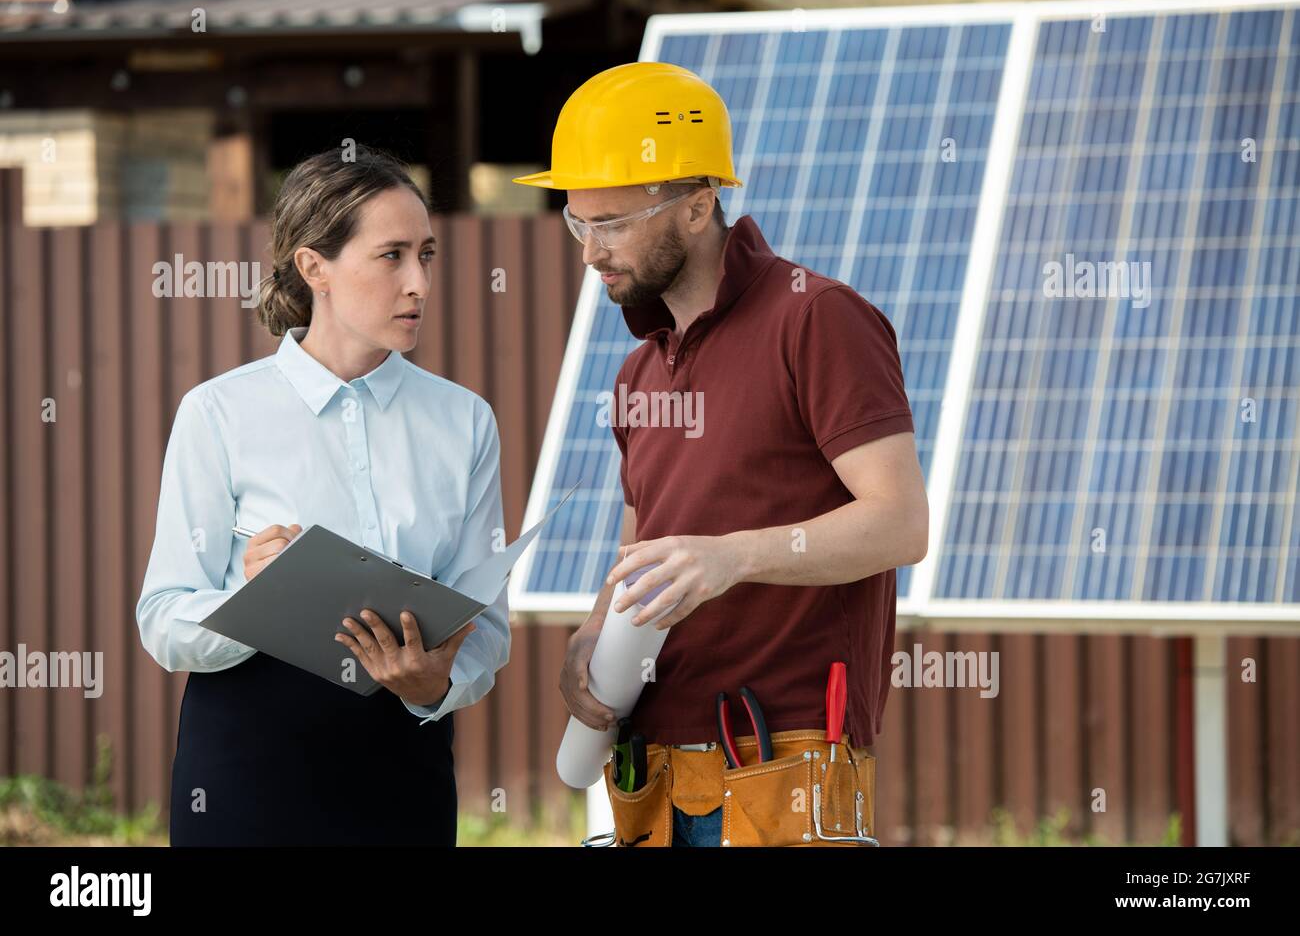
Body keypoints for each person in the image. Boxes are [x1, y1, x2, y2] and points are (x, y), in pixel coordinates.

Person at [520, 63, 929, 846]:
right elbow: (644, 541)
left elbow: (901, 524)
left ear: (699, 203)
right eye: (578, 224)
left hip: (784, 769)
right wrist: (592, 630)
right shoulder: (638, 367)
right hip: (652, 776)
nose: (590, 253)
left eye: (611, 223)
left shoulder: (819, 320)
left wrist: (730, 558)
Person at [136, 145, 510, 845]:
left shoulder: (465, 421)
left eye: (427, 255)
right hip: (246, 780)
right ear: (315, 268)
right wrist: (252, 603)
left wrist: (434, 687)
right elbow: (163, 622)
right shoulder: (218, 413)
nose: (419, 283)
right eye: (391, 256)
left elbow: (487, 627)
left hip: (406, 776)